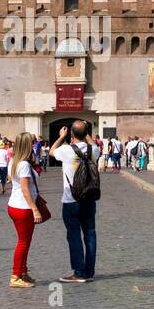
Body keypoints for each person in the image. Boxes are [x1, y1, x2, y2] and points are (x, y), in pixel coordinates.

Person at [51, 121, 98, 282]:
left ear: (72, 134)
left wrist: (62, 137)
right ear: (85, 134)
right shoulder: (94, 150)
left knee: (74, 236)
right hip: (90, 198)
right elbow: (92, 143)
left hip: (71, 200)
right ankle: (89, 272)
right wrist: (86, 133)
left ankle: (79, 272)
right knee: (90, 234)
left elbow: (51, 152)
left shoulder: (66, 150)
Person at [6, 130, 44, 288]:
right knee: (23, 243)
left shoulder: (15, 161)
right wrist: (35, 209)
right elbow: (25, 189)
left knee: (25, 242)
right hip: (24, 207)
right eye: (32, 143)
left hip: (14, 205)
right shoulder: (24, 165)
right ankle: (15, 276)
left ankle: (23, 272)